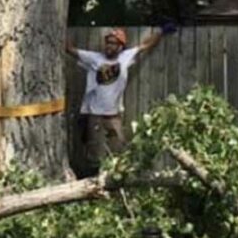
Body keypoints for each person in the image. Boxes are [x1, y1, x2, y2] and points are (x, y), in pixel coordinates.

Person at [65, 24, 176, 174]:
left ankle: (114, 184)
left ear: (120, 46)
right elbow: (70, 50)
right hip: (95, 116)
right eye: (108, 42)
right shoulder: (94, 58)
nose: (109, 46)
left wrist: (161, 31)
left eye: (113, 43)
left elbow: (145, 45)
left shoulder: (126, 57)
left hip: (114, 116)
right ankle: (93, 185)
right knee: (95, 153)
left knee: (118, 151)